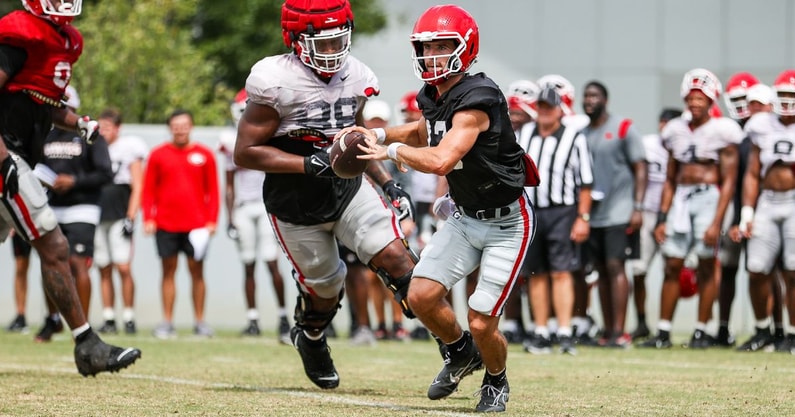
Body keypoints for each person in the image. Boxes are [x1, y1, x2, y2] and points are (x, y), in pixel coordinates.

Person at [341, 5, 537, 412]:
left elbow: (442, 159)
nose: (432, 56)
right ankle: (461, 351)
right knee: (420, 295)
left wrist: (388, 149)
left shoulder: (478, 99)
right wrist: (375, 131)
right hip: (466, 216)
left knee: (482, 318)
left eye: (442, 46)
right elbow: (422, 130)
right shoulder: (433, 95)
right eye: (427, 48)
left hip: (508, 221)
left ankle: (496, 380)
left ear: (465, 49)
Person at [234, 0, 417, 391]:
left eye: (339, 42)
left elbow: (356, 137)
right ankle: (311, 337)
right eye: (323, 44)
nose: (333, 53)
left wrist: (386, 182)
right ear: (296, 40)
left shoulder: (358, 76)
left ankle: (457, 348)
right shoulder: (274, 80)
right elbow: (245, 152)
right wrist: (307, 163)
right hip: (295, 201)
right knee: (327, 288)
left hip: (347, 191)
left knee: (402, 263)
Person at [0, 0, 141, 375]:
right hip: (5, 152)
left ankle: (85, 344)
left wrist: (78, 123)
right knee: (54, 243)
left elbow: (44, 104)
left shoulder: (65, 40)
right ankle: (87, 346)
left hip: (16, 154)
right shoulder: (19, 32)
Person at [641, 68, 743, 349]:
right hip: (681, 200)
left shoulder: (723, 131)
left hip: (709, 197)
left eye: (702, 98)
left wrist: (717, 222)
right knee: (672, 263)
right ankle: (663, 331)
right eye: (692, 98)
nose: (696, 103)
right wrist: (662, 217)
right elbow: (670, 178)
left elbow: (730, 180)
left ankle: (701, 329)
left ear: (712, 100)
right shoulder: (674, 130)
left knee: (707, 265)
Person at [35, 85, 113, 342]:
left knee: (78, 263)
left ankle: (82, 326)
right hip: (51, 205)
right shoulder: (43, 133)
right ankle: (53, 319)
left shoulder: (90, 133)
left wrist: (74, 181)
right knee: (50, 263)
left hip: (83, 207)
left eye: (65, 106)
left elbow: (105, 172)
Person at [520, 87, 593, 356]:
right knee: (535, 273)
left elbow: (586, 182)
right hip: (533, 210)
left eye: (549, 107)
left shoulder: (574, 137)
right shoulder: (525, 134)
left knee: (561, 271)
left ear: (560, 109)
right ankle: (541, 330)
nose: (544, 112)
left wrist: (583, 218)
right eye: (540, 107)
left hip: (563, 211)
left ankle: (563, 331)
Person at [219, 89, 291, 342]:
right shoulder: (229, 139)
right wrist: (228, 217)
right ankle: (253, 319)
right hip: (243, 206)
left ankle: (283, 317)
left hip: (266, 205)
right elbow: (229, 184)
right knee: (248, 263)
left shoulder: (271, 133)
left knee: (271, 262)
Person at [142, 109, 219, 339]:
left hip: (197, 226)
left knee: (197, 272)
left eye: (184, 125)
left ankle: (200, 322)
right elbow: (148, 190)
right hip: (165, 224)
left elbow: (213, 191)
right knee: (168, 272)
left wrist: (211, 220)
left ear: (191, 126)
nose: (180, 129)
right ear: (170, 128)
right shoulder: (157, 155)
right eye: (176, 126)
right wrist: (148, 218)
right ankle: (166, 322)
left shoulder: (205, 155)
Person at [581, 81, 646, 348]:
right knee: (600, 271)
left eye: (594, 96)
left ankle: (621, 331)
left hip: (619, 212)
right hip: (593, 216)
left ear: (605, 100)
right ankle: (608, 330)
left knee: (616, 267)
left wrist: (637, 207)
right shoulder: (582, 133)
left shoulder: (623, 128)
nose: (589, 100)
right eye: (585, 96)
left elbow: (641, 168)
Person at [737, 69, 795, 353]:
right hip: (767, 201)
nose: (787, 100)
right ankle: (763, 331)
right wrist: (747, 211)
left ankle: (793, 335)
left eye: (791, 95)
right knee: (756, 269)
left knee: (793, 270)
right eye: (783, 94)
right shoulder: (761, 123)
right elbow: (752, 172)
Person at [716, 73, 775, 348]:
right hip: (737, 210)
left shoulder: (772, 131)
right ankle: (724, 328)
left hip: (767, 210)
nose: (746, 108)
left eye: (749, 101)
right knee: (728, 269)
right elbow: (731, 182)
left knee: (766, 272)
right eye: (740, 101)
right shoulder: (732, 132)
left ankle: (774, 330)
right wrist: (734, 216)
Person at [628, 108, 681, 340]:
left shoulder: (683, 147)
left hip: (674, 214)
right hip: (647, 213)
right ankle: (641, 322)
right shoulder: (648, 144)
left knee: (674, 269)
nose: (665, 127)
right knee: (638, 271)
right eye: (663, 122)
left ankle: (665, 327)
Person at [94, 107, 148, 335]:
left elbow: (138, 185)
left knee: (123, 267)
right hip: (97, 214)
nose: (103, 132)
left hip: (119, 214)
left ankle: (128, 316)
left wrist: (131, 216)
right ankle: (108, 317)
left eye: (107, 127)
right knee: (103, 267)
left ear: (118, 128)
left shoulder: (128, 148)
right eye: (101, 128)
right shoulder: (93, 147)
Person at [502, 79, 539, 344]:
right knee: (510, 272)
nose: (515, 116)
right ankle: (514, 322)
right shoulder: (500, 131)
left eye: (520, 111)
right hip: (510, 209)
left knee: (535, 273)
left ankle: (540, 325)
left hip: (538, 209)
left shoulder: (542, 134)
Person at [6, 232, 32, 332]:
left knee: (49, 266)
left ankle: (52, 317)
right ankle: (20, 317)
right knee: (20, 267)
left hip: (42, 221)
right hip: (21, 226)